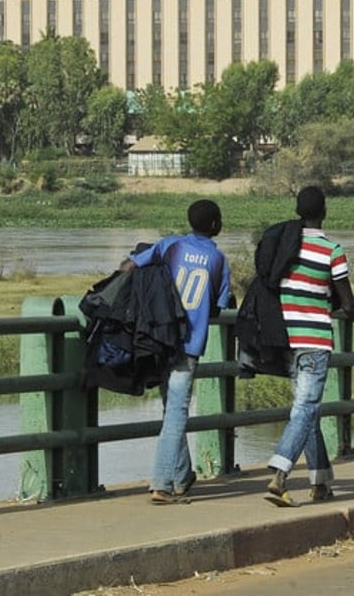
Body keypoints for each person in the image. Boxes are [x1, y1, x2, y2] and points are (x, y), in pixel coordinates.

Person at [266, 186, 354, 506]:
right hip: (315, 341)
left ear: (297, 210)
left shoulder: (285, 247)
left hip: (287, 338)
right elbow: (348, 303)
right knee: (305, 409)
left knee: (308, 410)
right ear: (324, 211)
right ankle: (279, 472)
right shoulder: (331, 250)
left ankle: (320, 482)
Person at [122, 199, 232, 505]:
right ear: (214, 225)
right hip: (188, 346)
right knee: (177, 413)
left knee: (172, 411)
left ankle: (182, 476)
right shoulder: (218, 259)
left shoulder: (170, 245)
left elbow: (130, 265)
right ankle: (161, 484)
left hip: (159, 340)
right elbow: (218, 308)